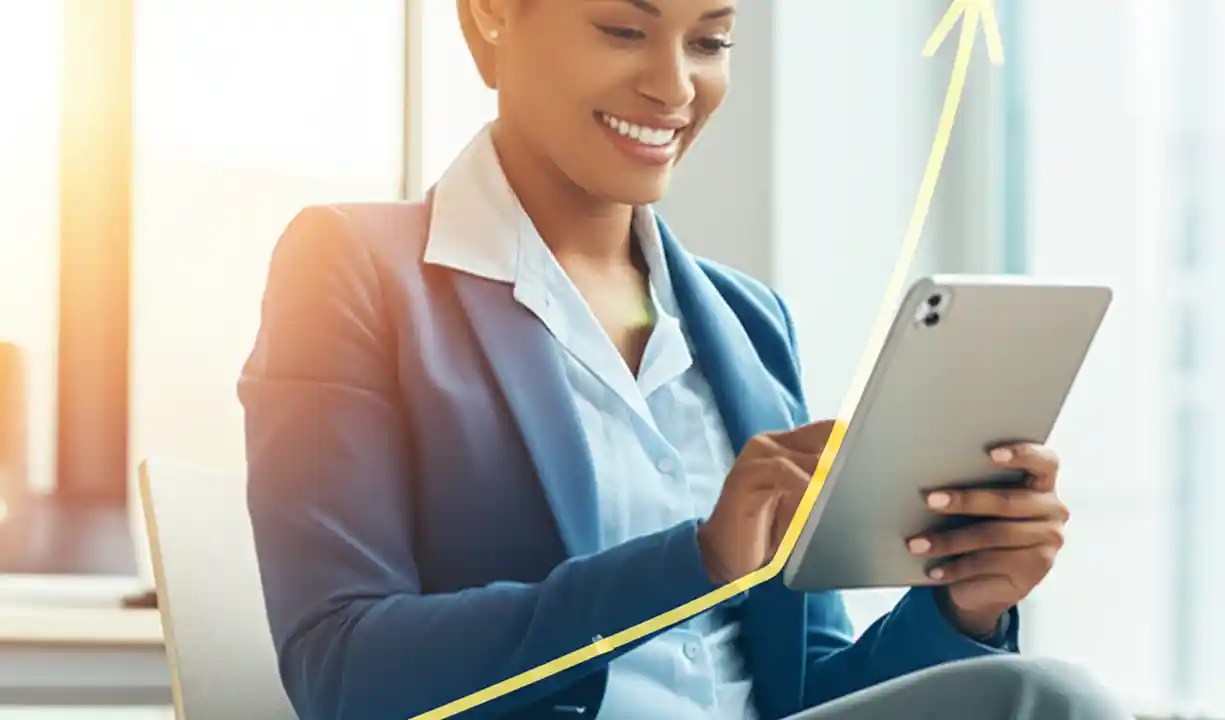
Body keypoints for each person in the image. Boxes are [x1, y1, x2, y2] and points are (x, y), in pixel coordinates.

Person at [238, 0, 1132, 718]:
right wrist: (695, 561)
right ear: (489, 15)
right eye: (624, 30)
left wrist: (964, 609)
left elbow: (808, 687)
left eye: (710, 40)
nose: (674, 86)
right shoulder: (354, 266)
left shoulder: (747, 323)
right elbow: (340, 672)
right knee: (1055, 701)